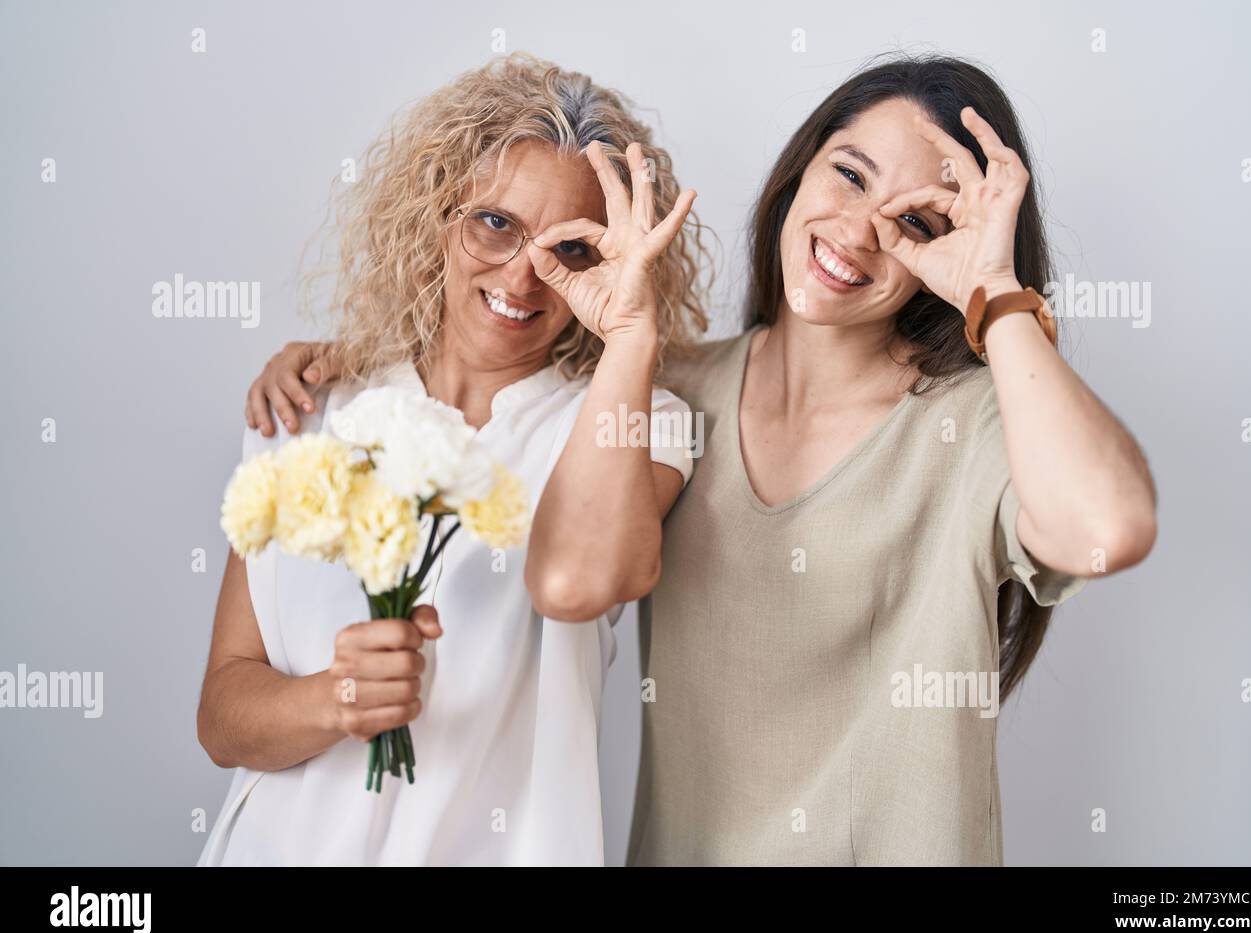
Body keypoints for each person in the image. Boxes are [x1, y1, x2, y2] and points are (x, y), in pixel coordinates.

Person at [246, 54, 1158, 866]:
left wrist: (997, 295)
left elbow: (1107, 530)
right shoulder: (671, 391)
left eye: (917, 221)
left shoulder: (972, 426)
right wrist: (350, 363)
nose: (860, 231)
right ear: (799, 170)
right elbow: (523, 386)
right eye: (848, 175)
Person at [196, 53, 708, 865]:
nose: (524, 277)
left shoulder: (641, 423)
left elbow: (578, 582)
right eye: (496, 223)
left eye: (570, 251)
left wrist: (631, 334)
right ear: (439, 212)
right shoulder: (314, 407)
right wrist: (336, 700)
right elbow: (223, 717)